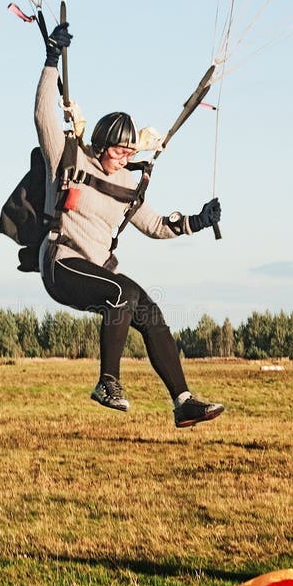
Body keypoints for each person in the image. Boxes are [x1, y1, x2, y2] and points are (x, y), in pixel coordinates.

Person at [35, 23, 224, 428]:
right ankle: (107, 383)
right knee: (120, 293)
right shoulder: (68, 160)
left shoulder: (126, 184)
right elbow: (41, 115)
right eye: (118, 152)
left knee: (149, 311)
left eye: (128, 153)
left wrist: (198, 221)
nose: (123, 159)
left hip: (98, 269)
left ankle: (184, 402)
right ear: (102, 146)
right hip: (61, 262)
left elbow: (155, 225)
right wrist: (51, 61)